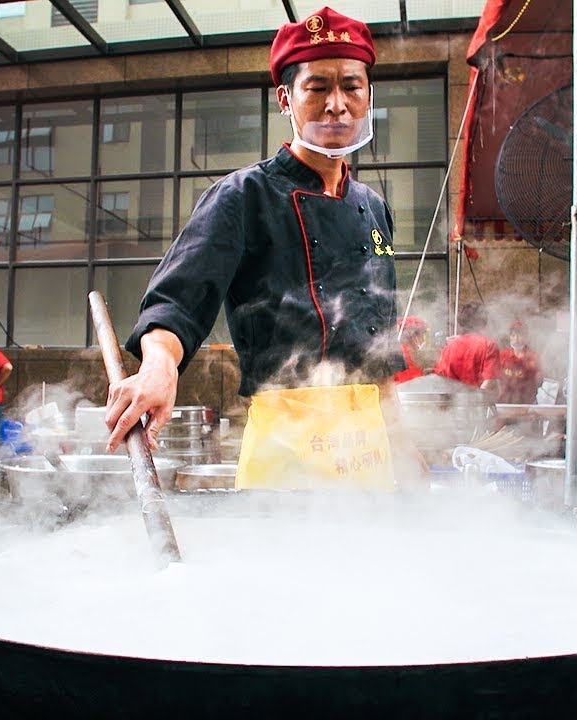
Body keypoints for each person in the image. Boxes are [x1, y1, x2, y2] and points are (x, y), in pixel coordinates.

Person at [103, 7, 414, 491]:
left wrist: (408, 458)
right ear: (285, 98)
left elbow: (380, 354)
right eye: (317, 87)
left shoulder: (373, 208)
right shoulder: (243, 196)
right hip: (286, 454)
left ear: (368, 95)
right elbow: (178, 300)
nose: (337, 104)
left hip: (370, 452)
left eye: (352, 86)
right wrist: (158, 367)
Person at [433, 333, 501, 392]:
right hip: (479, 403)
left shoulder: (449, 348)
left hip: (454, 403)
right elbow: (489, 382)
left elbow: (440, 380)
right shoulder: (489, 345)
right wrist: (476, 403)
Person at [496, 321, 540, 404]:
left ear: (526, 337)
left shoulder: (533, 357)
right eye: (513, 335)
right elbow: (496, 379)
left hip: (527, 403)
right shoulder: (502, 355)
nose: (516, 338)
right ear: (510, 337)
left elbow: (539, 380)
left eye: (520, 335)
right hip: (505, 402)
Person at [393, 316, 429, 384]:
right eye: (422, 335)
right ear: (412, 335)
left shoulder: (412, 353)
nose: (423, 339)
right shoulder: (401, 355)